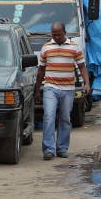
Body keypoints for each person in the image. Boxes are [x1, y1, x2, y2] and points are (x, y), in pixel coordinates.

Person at [35, 22, 89, 160]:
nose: (56, 37)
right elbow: (41, 70)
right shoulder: (46, 47)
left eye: (58, 34)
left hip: (68, 89)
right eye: (54, 35)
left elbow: (82, 66)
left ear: (64, 32)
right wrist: (37, 90)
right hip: (50, 87)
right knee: (49, 117)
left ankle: (62, 148)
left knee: (65, 119)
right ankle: (48, 149)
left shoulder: (74, 47)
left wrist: (86, 83)